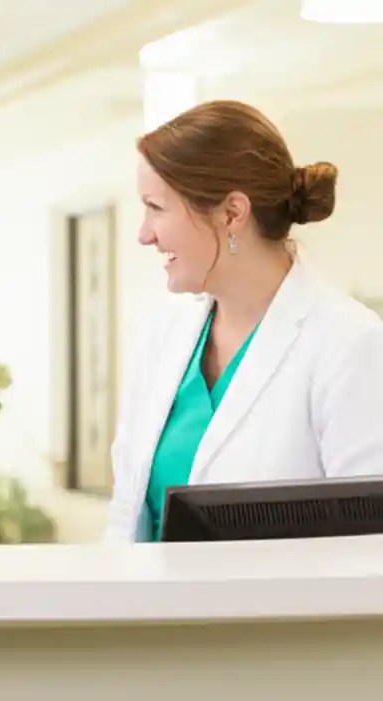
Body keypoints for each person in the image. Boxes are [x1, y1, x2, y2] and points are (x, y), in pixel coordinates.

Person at [106, 99, 383, 543]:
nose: (144, 234)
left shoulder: (349, 345)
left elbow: (370, 547)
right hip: (150, 611)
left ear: (232, 213)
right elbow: (126, 514)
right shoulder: (160, 335)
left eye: (156, 208)